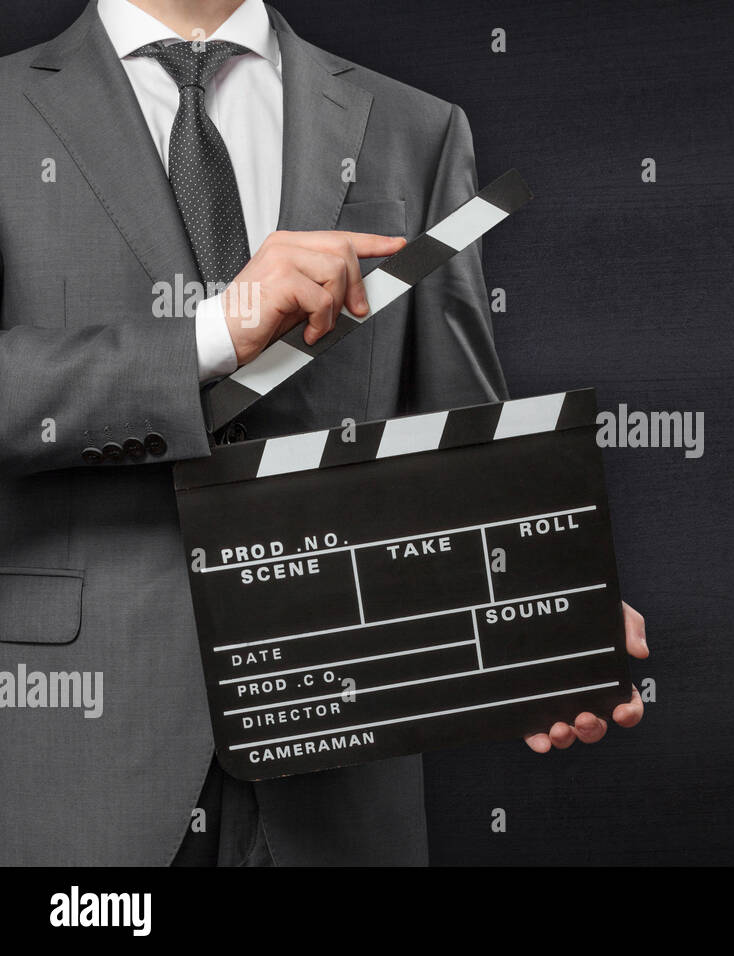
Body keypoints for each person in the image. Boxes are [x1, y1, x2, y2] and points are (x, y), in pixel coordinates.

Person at [0, 0, 648, 866]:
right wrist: (209, 337)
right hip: (78, 755)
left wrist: (540, 618)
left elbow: (461, 436)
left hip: (344, 756)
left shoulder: (417, 127)